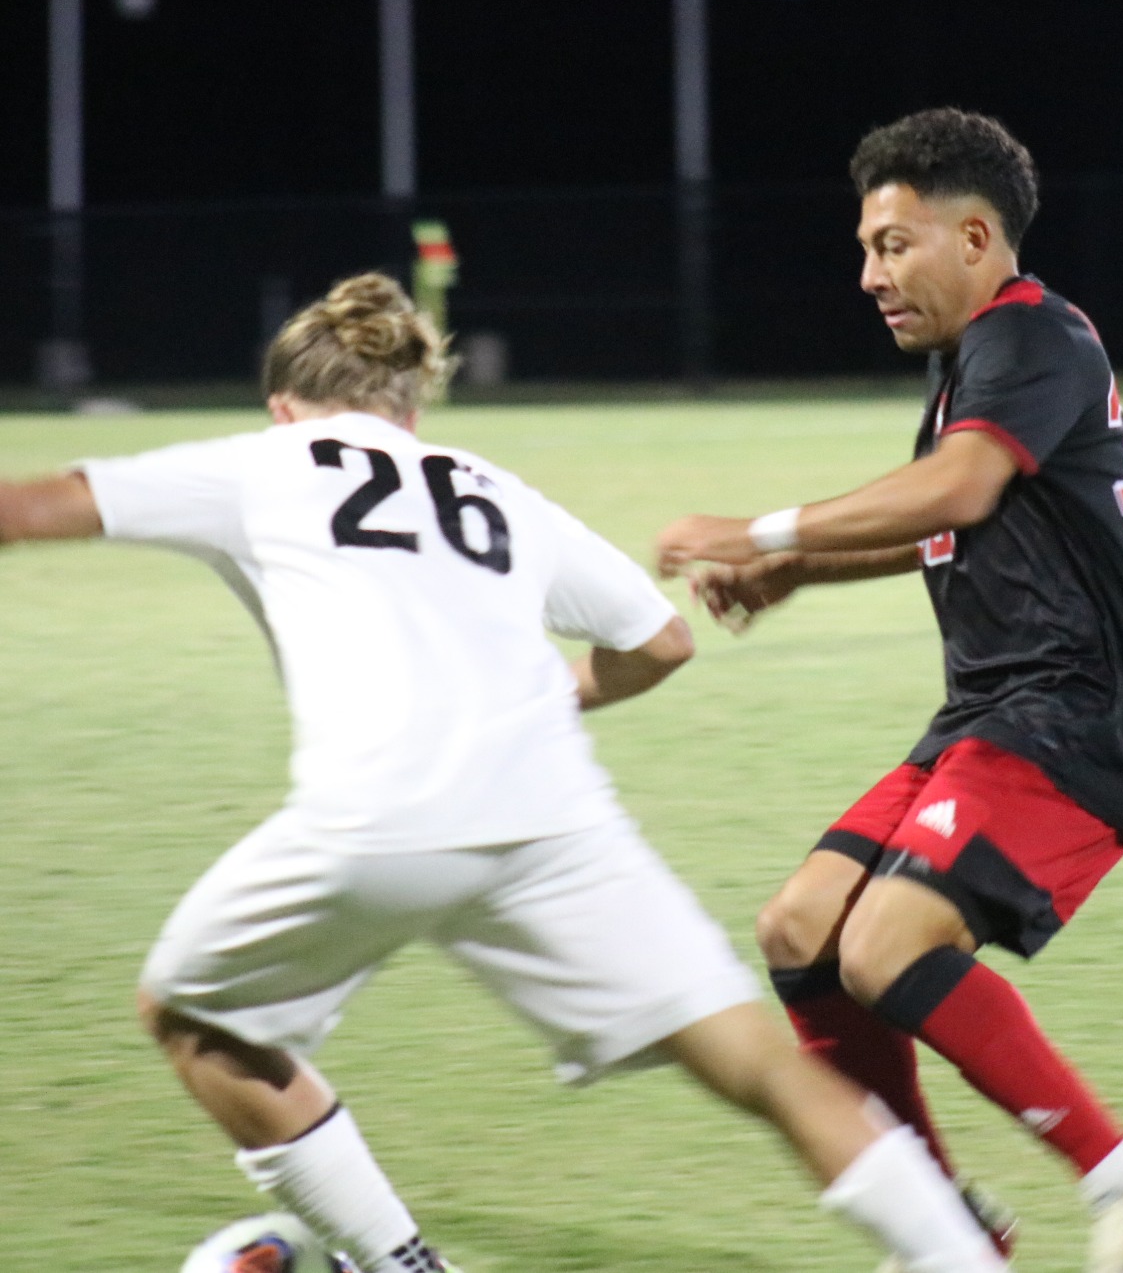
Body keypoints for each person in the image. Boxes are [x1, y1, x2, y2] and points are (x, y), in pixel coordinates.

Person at [0, 275, 1004, 1273]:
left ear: (281, 407)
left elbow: (42, 503)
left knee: (191, 1015)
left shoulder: (267, 462)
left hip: (373, 818)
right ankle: (958, 1261)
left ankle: (401, 1263)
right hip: (552, 822)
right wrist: (544, 692)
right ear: (410, 405)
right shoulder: (485, 484)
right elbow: (658, 641)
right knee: (763, 1070)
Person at [656, 108, 1123, 1273]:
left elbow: (954, 493)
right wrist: (797, 569)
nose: (870, 275)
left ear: (973, 237)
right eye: (866, 248)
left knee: (886, 942)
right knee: (801, 929)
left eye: (892, 244)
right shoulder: (982, 361)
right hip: (989, 715)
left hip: (1072, 717)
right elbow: (959, 525)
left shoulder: (1035, 335)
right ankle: (940, 1224)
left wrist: (760, 529)